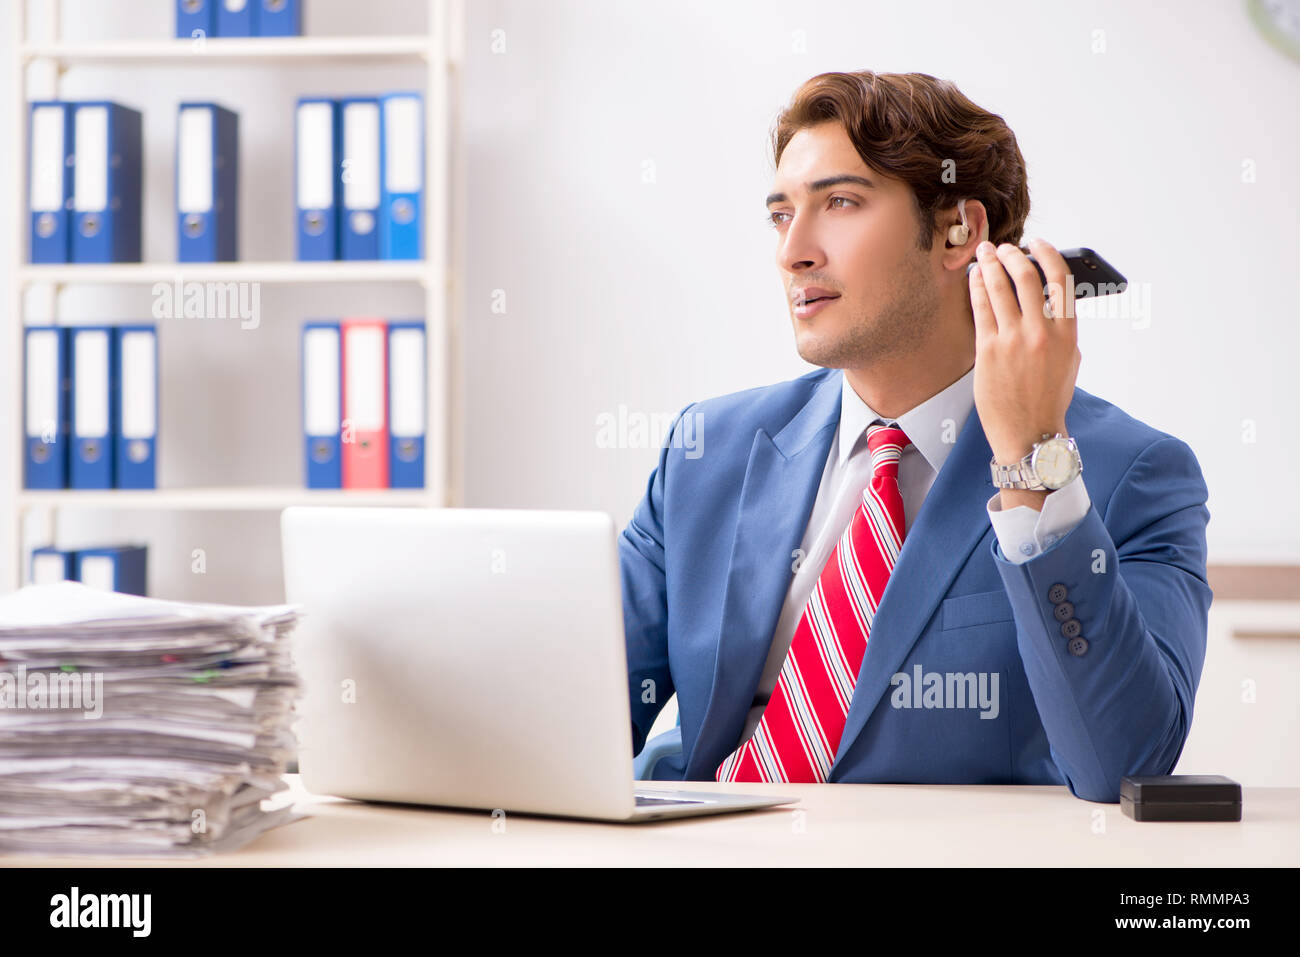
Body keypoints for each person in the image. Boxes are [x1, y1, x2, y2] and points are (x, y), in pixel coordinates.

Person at [619, 70, 1211, 803]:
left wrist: (1032, 462)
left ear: (961, 231)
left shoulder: (1135, 475)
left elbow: (1126, 761)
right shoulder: (705, 450)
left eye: (839, 203)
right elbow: (581, 706)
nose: (793, 252)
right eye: (781, 215)